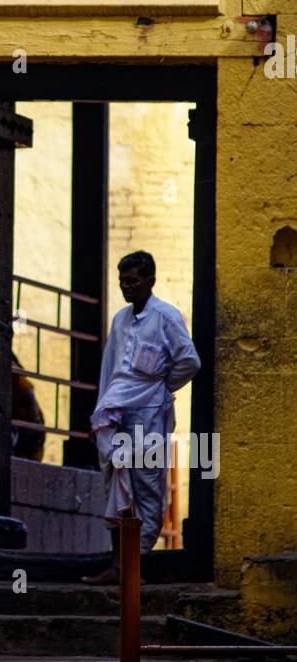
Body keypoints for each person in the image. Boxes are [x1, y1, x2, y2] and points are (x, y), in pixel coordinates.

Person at [82, 251, 200, 585]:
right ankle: (117, 566)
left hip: (149, 413)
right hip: (115, 412)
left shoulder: (165, 315)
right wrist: (99, 415)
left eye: (132, 280)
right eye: (122, 281)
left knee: (148, 486)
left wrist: (161, 388)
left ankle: (136, 566)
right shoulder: (120, 319)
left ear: (149, 281)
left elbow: (190, 361)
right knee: (115, 485)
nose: (126, 287)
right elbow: (110, 369)